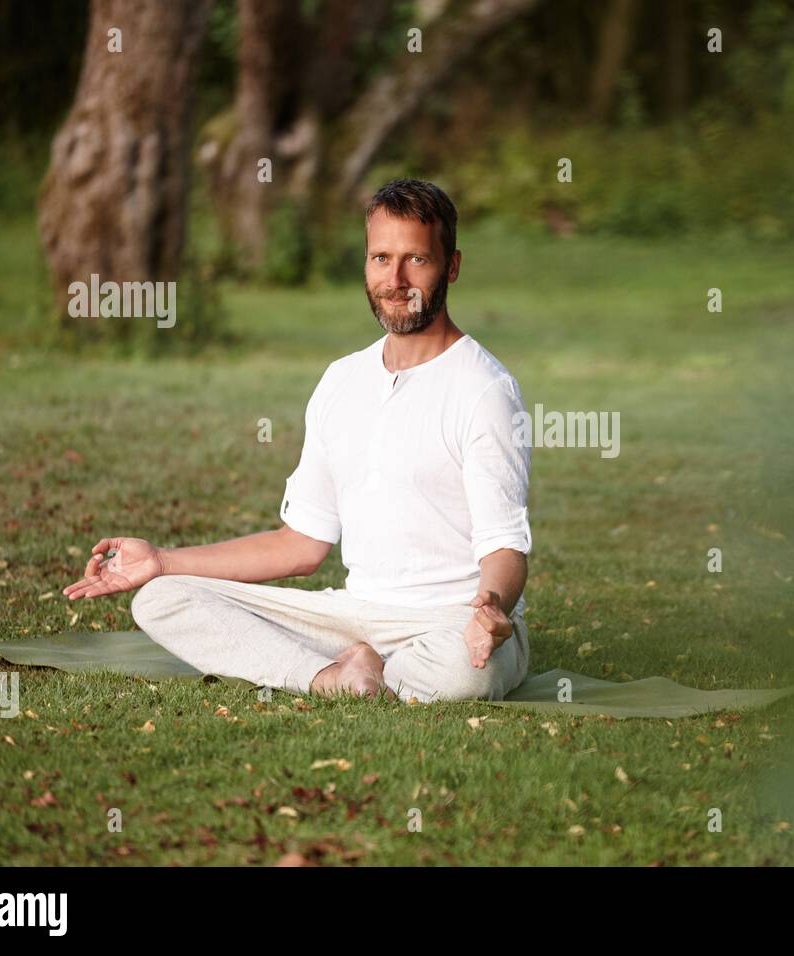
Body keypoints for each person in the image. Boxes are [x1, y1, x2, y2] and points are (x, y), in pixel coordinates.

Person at [62, 179, 532, 703]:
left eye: (415, 260)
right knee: (161, 599)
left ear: (452, 266)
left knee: (466, 675)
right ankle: (332, 675)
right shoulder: (341, 380)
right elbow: (301, 545)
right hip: (355, 614)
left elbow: (505, 546)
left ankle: (365, 669)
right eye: (380, 258)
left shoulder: (484, 389)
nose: (395, 279)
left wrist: (491, 606)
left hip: (451, 620)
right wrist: (163, 560)